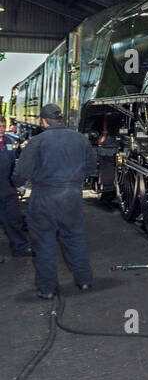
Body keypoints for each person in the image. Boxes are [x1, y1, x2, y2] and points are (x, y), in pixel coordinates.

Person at [13, 103, 97, 298]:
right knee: (75, 238)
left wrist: (16, 183)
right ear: (61, 118)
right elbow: (92, 168)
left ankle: (48, 289)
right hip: (72, 198)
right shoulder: (80, 139)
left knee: (44, 244)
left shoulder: (37, 141)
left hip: (44, 198)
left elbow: (21, 174)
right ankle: (84, 281)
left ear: (44, 121)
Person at [0, 116, 29, 257]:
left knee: (14, 219)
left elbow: (14, 163)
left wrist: (17, 183)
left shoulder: (10, 142)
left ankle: (21, 248)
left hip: (8, 188)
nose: (2, 129)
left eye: (3, 126)